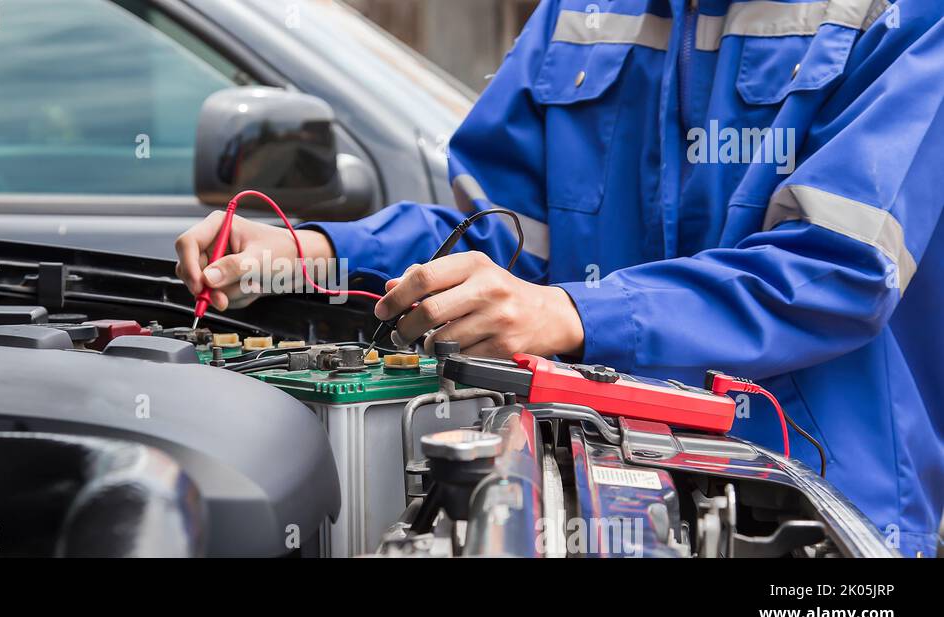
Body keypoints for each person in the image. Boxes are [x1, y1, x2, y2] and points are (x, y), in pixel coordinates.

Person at [175, 0, 942, 556]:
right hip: (588, 493)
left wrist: (573, 312)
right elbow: (499, 240)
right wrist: (317, 251)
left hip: (816, 519)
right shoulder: (580, 13)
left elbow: (837, 266)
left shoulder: (901, 14)